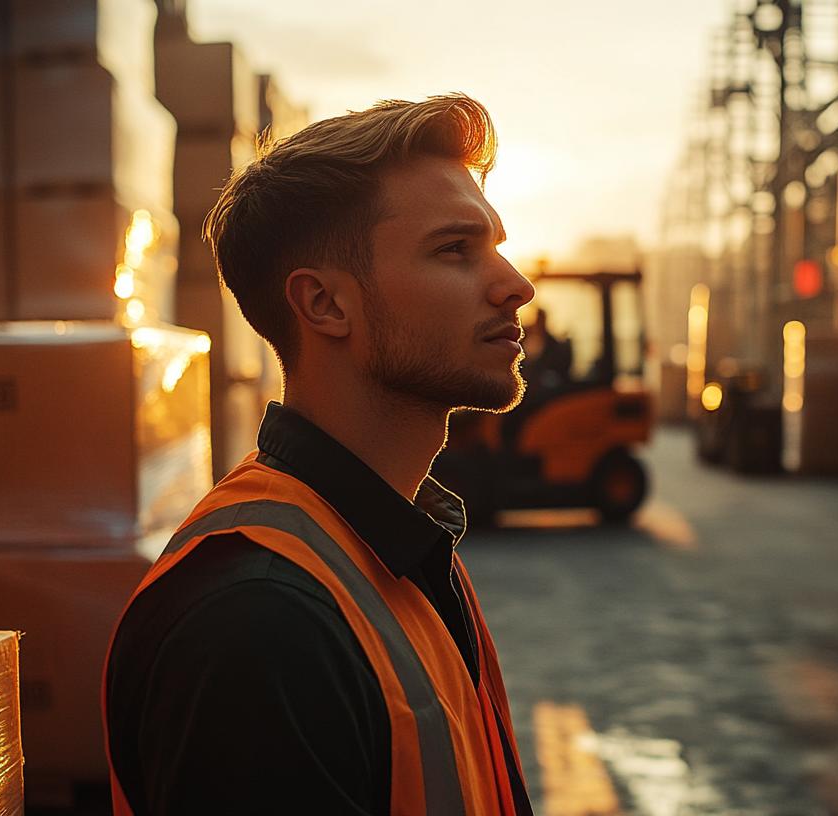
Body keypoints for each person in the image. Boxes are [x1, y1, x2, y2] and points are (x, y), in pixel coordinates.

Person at [103, 94, 537, 815]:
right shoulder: (258, 626)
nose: (515, 285)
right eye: (456, 250)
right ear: (326, 306)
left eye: (494, 244)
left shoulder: (395, 548)